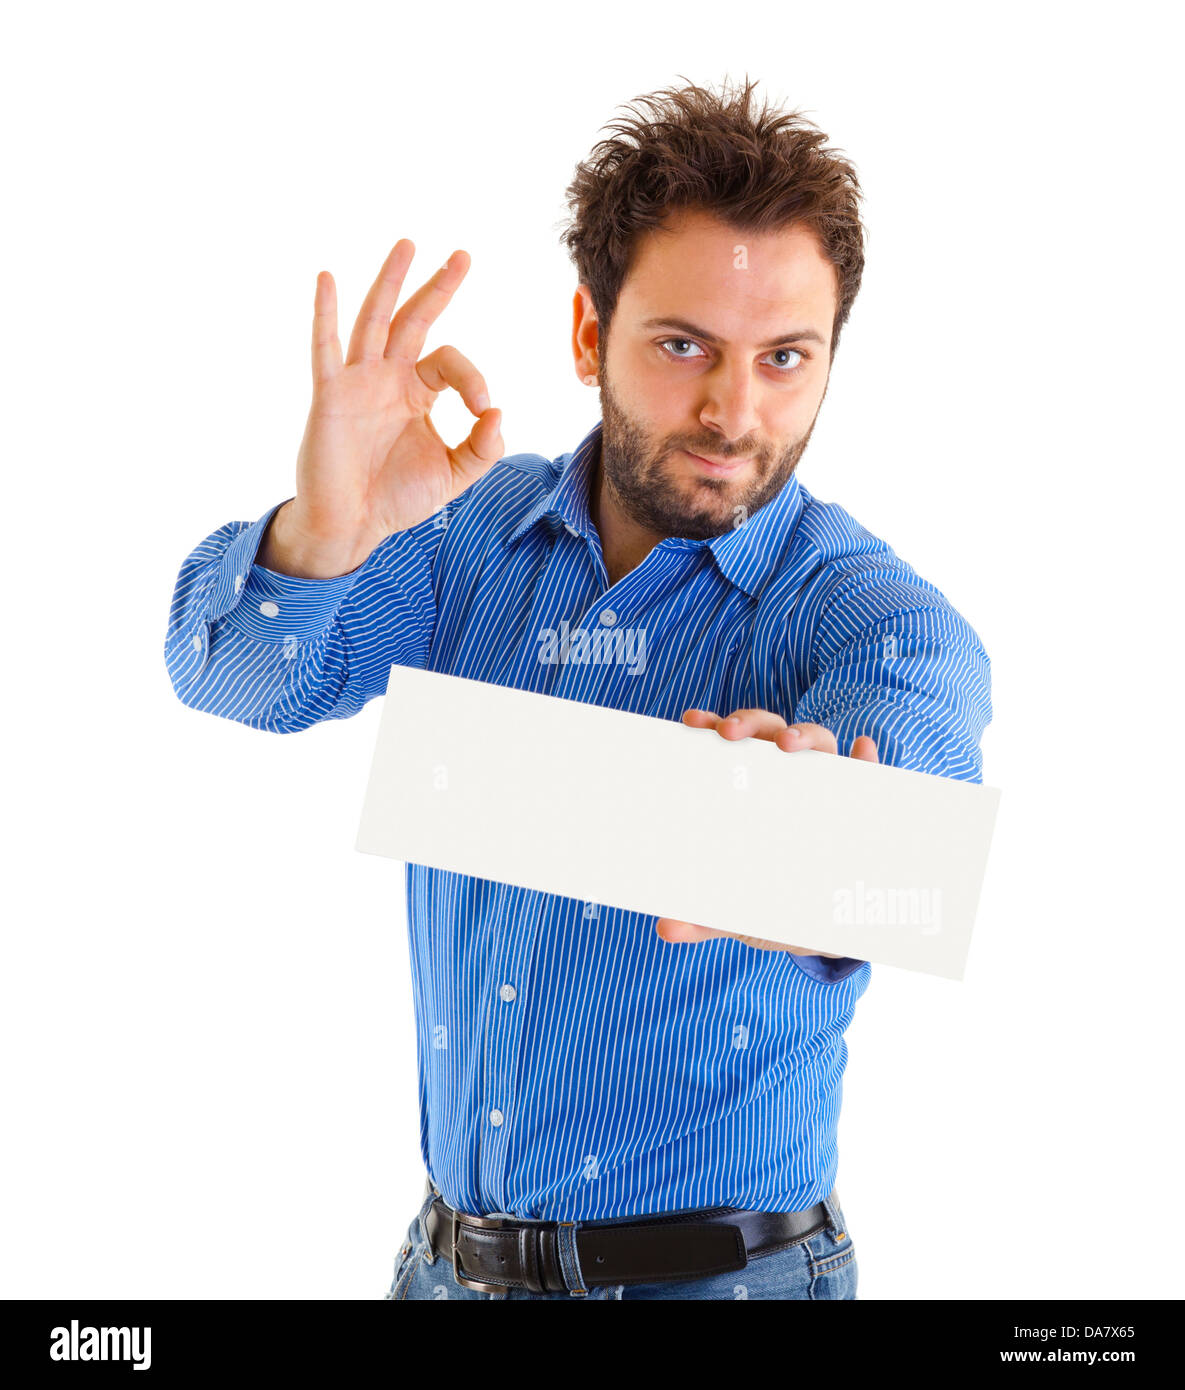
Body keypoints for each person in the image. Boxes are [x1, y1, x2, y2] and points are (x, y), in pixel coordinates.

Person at [164, 76, 992, 1300]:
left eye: (785, 358)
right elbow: (233, 677)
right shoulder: (462, 525)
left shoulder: (872, 612)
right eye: (682, 345)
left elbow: (904, 855)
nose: (734, 410)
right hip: (447, 1267)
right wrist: (326, 529)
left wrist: (805, 824)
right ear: (587, 335)